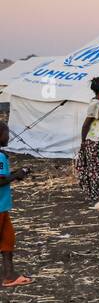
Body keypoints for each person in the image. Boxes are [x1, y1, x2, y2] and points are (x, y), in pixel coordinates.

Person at [0, 121, 34, 287]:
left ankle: (9, 275)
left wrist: (15, 174)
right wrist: (16, 175)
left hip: (3, 207)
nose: (8, 136)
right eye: (6, 133)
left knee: (7, 240)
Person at [74, 76, 99, 208]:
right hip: (94, 141)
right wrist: (83, 141)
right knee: (95, 170)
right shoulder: (95, 104)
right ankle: (96, 198)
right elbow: (86, 124)